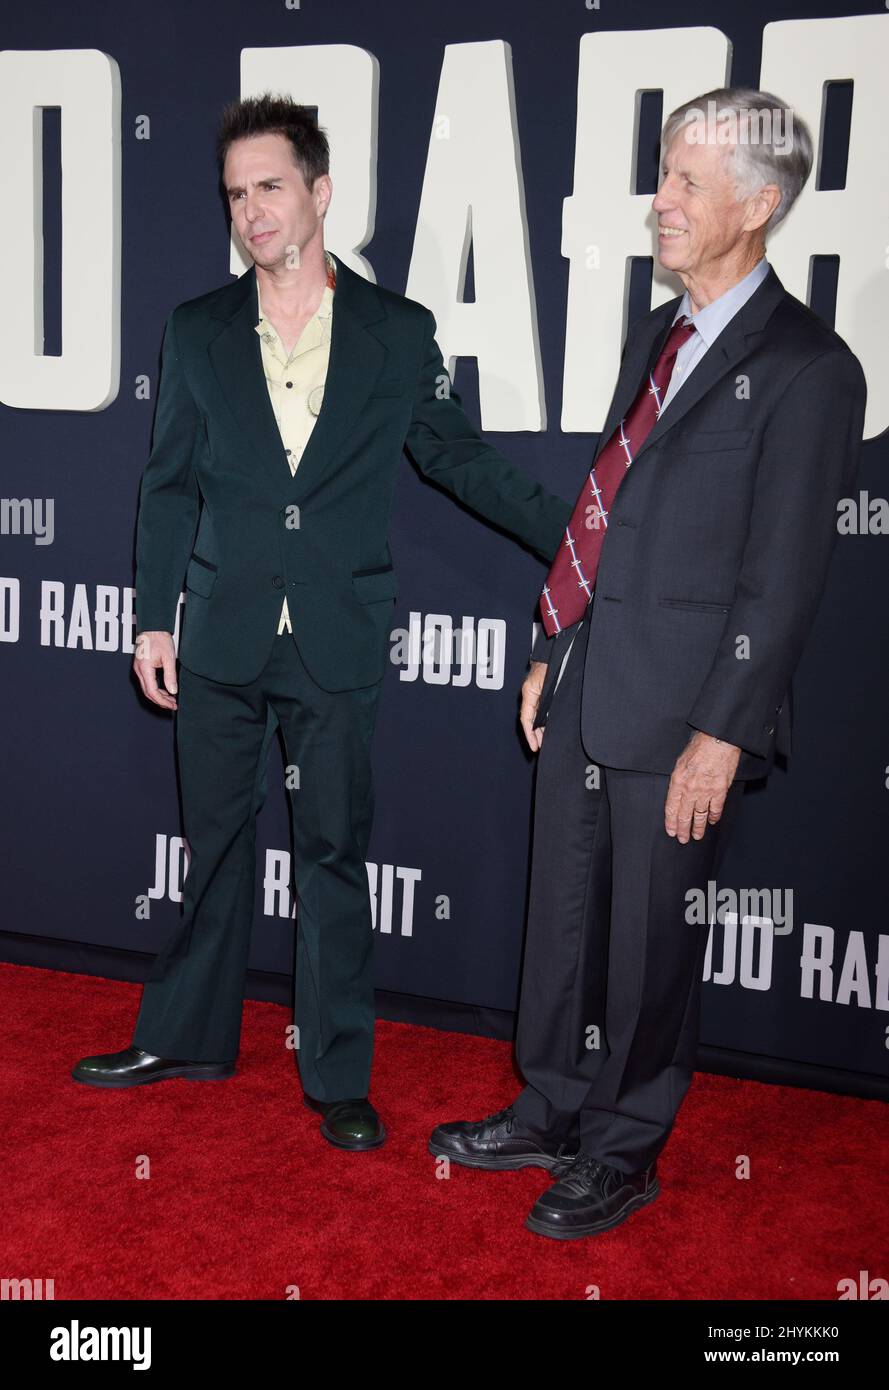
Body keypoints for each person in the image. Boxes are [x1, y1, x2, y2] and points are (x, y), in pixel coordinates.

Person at [72, 93, 571, 1151]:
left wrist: (578, 541)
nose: (252, 211)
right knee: (214, 847)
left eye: (270, 186)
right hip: (217, 632)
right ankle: (186, 1036)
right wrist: (153, 618)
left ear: (320, 191)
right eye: (236, 193)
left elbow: (457, 459)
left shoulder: (396, 334)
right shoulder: (197, 329)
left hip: (337, 636)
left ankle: (337, 1070)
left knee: (332, 853)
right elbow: (167, 489)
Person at [430, 87, 867, 1237]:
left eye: (683, 181)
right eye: (662, 174)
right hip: (589, 674)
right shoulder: (660, 333)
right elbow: (608, 505)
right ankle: (550, 1104)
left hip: (685, 710)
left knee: (650, 944)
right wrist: (553, 646)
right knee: (562, 920)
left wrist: (721, 731)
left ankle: (622, 1147)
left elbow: (782, 580)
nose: (658, 200)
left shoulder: (809, 368)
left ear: (758, 203)